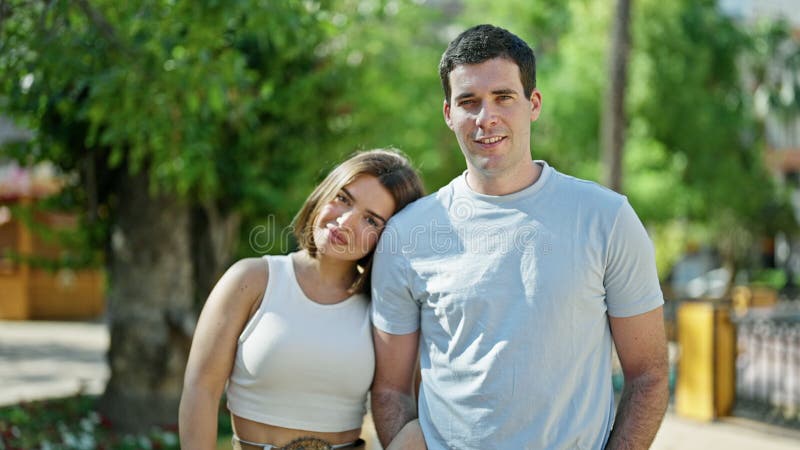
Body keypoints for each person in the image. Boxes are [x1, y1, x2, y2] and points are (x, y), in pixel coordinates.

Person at [370, 24, 669, 449]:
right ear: (448, 113)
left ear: (533, 104)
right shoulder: (408, 233)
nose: (485, 117)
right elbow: (390, 389)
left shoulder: (606, 218)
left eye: (503, 97)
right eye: (468, 102)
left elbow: (650, 374)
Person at [179, 149, 424, 450]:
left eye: (370, 220)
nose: (345, 222)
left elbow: (412, 404)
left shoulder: (387, 309)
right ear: (324, 193)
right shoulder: (251, 280)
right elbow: (201, 389)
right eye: (343, 199)